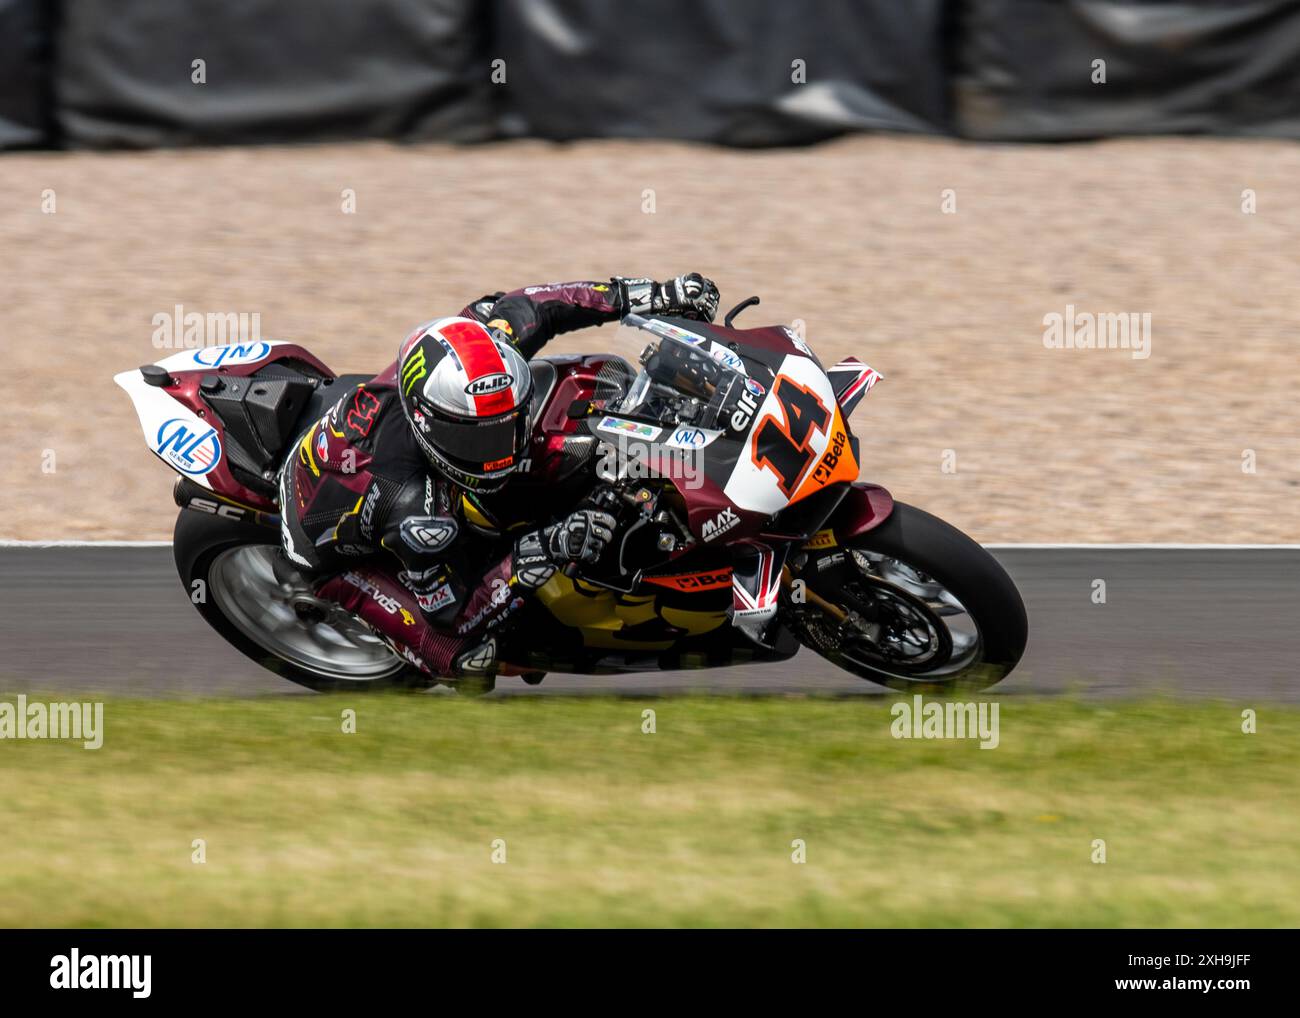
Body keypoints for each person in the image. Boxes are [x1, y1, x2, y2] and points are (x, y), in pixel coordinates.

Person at [278, 273, 720, 680]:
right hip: (328, 547)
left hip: (365, 447)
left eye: (511, 424)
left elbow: (543, 303)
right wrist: (544, 547)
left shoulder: (476, 343)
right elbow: (454, 610)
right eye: (480, 441)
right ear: (434, 430)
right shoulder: (414, 509)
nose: (504, 449)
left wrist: (652, 296)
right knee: (466, 659)